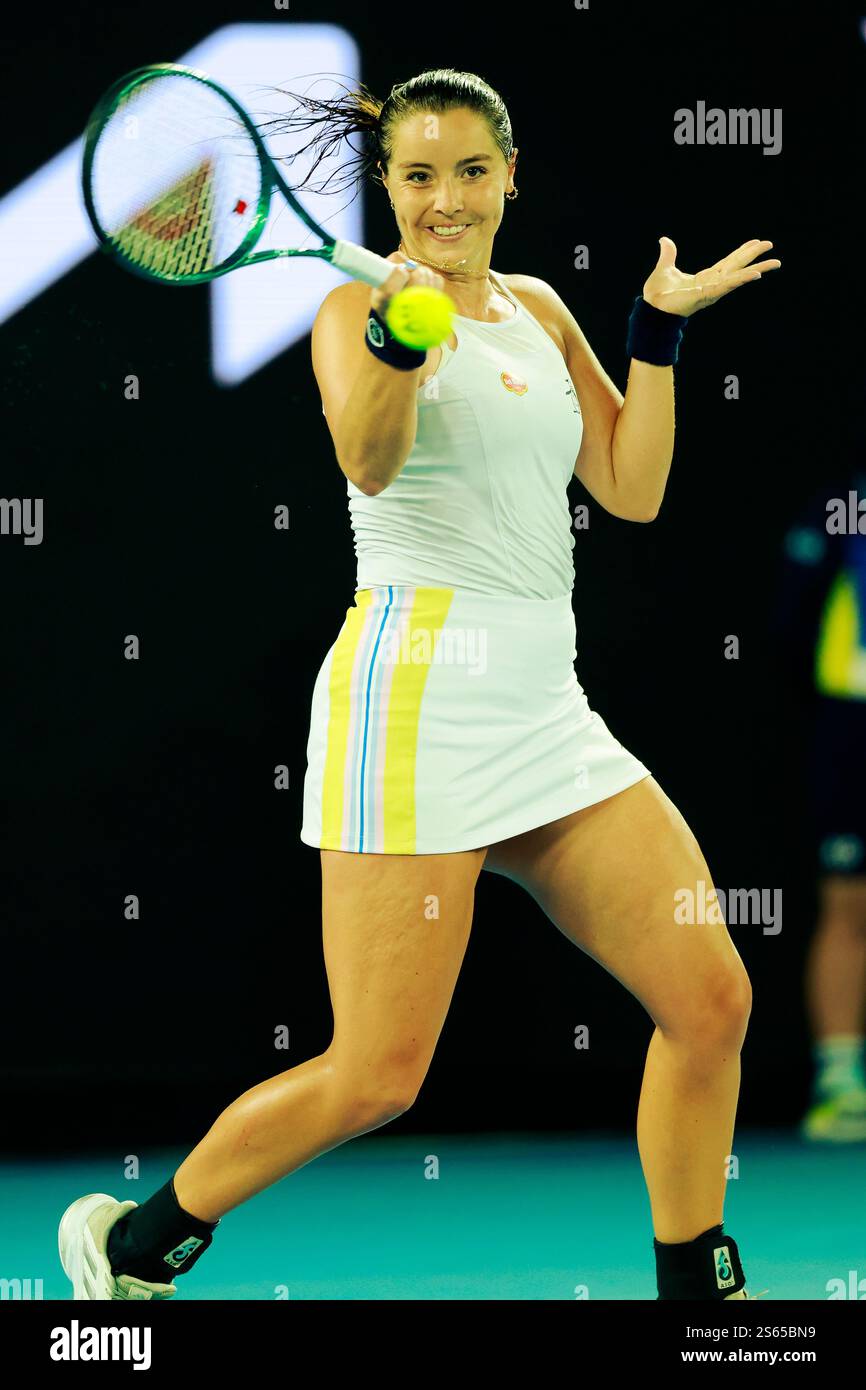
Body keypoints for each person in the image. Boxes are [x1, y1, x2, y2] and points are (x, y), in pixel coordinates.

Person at [59, 67, 779, 1301]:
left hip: (542, 708)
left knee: (708, 995)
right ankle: (133, 1245)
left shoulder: (542, 308)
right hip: (414, 702)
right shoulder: (354, 311)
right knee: (379, 1074)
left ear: (509, 174)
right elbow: (371, 463)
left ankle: (695, 1301)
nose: (444, 199)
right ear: (386, 187)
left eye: (468, 170)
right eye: (416, 176)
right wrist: (400, 335)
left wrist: (654, 333)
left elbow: (631, 486)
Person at [771, 463, 866, 1142]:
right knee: (848, 900)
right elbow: (791, 618)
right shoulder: (843, 506)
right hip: (852, 727)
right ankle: (840, 1085)